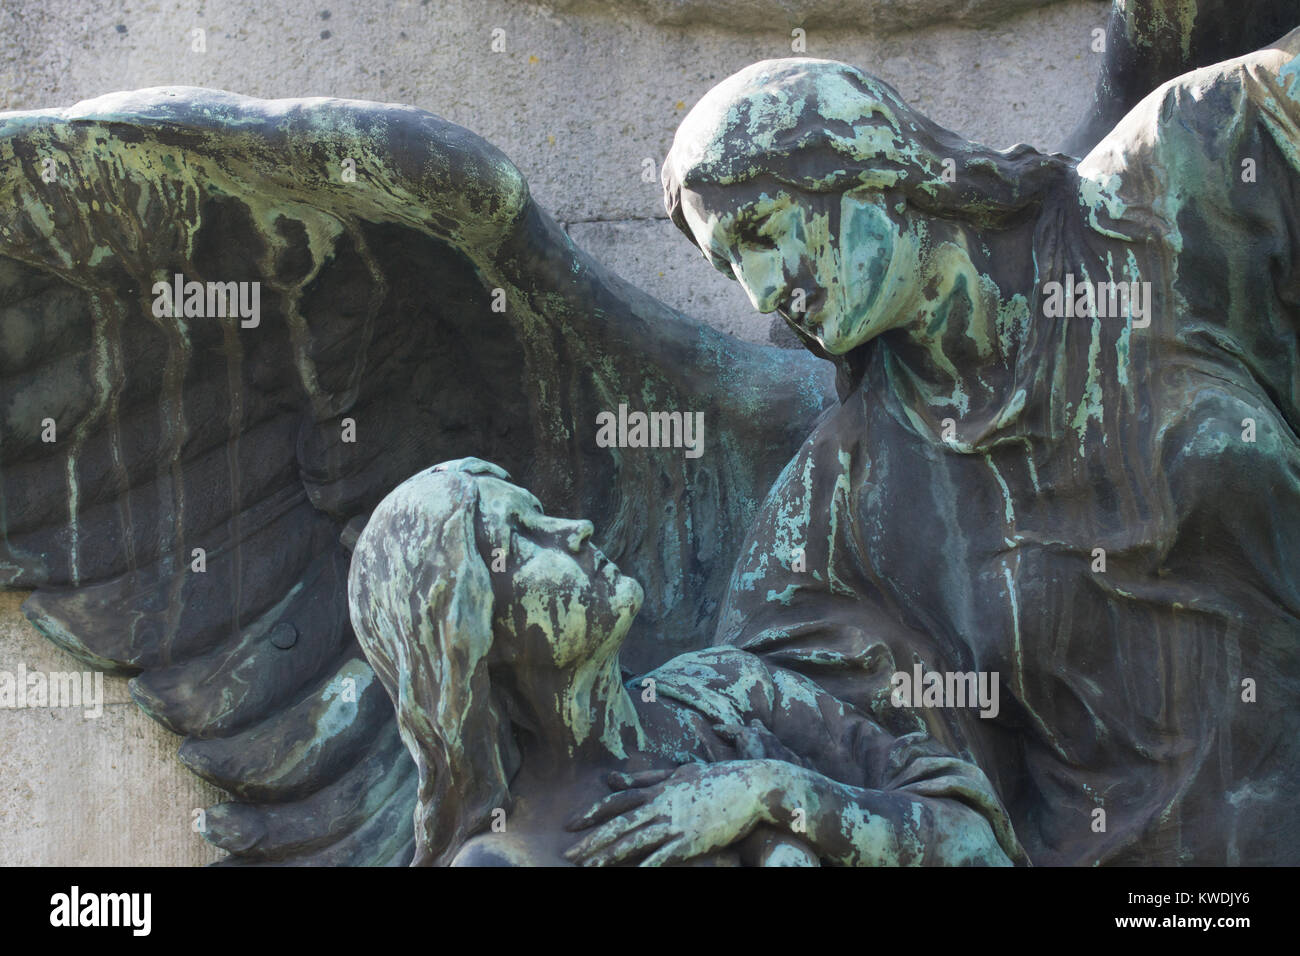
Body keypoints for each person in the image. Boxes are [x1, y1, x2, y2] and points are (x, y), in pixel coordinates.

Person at [634, 37, 1300, 865]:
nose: (761, 291)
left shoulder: (1183, 172)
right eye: (729, 264)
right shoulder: (839, 502)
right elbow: (758, 721)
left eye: (762, 232)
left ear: (866, 165)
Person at [346, 457, 1023, 866]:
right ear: (474, 635)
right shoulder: (507, 856)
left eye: (542, 511)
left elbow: (978, 845)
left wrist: (776, 793)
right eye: (521, 538)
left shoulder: (724, 687)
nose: (573, 528)